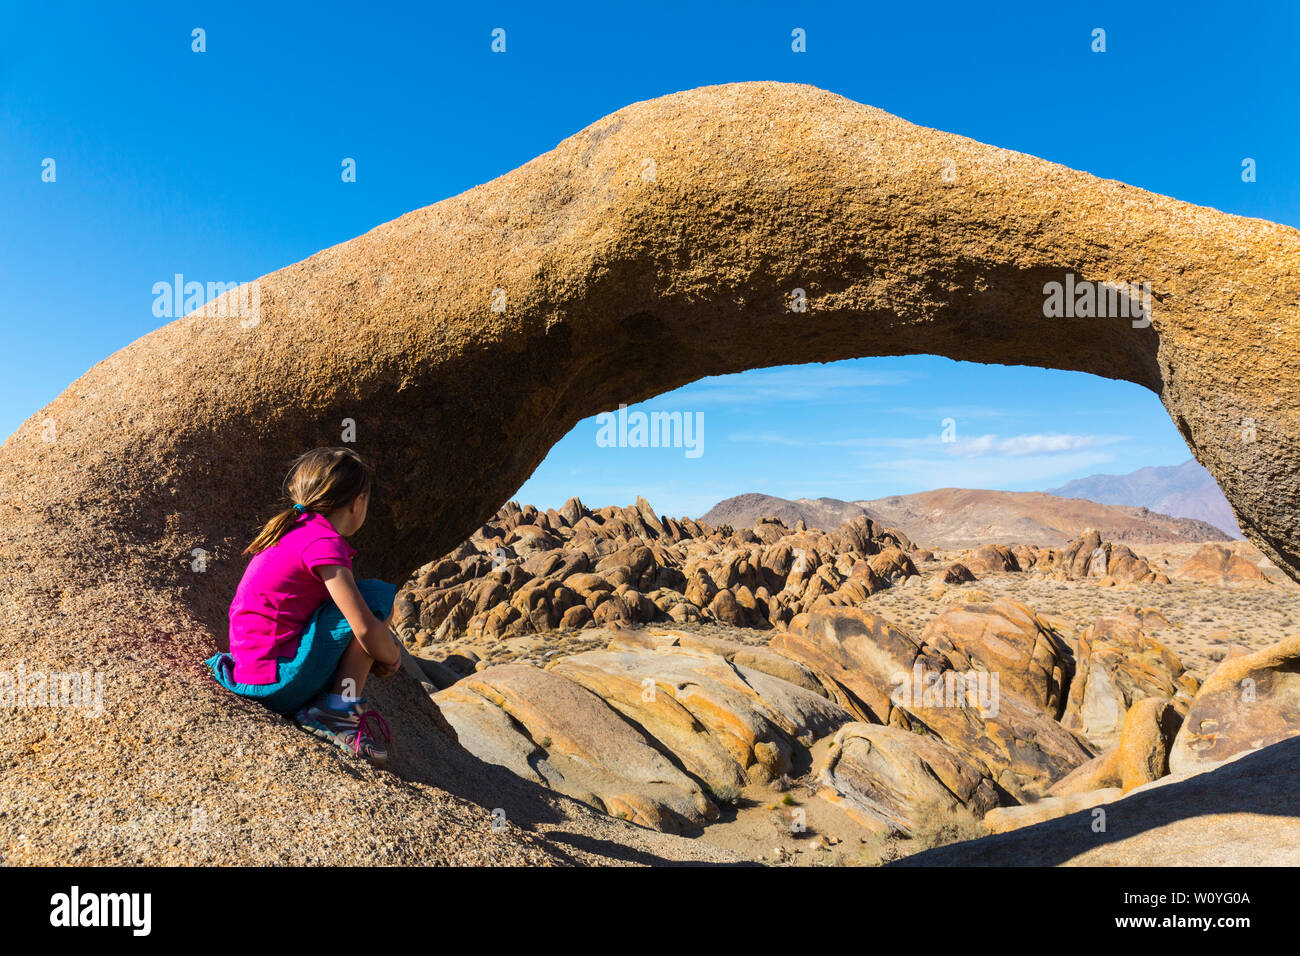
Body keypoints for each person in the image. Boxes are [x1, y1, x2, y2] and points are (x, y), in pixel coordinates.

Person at [205, 446, 399, 766]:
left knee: (365, 604)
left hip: (251, 673)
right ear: (357, 503)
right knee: (377, 597)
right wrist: (390, 654)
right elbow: (362, 624)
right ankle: (336, 712)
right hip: (276, 685)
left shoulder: (293, 530)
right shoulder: (325, 542)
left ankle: (328, 702)